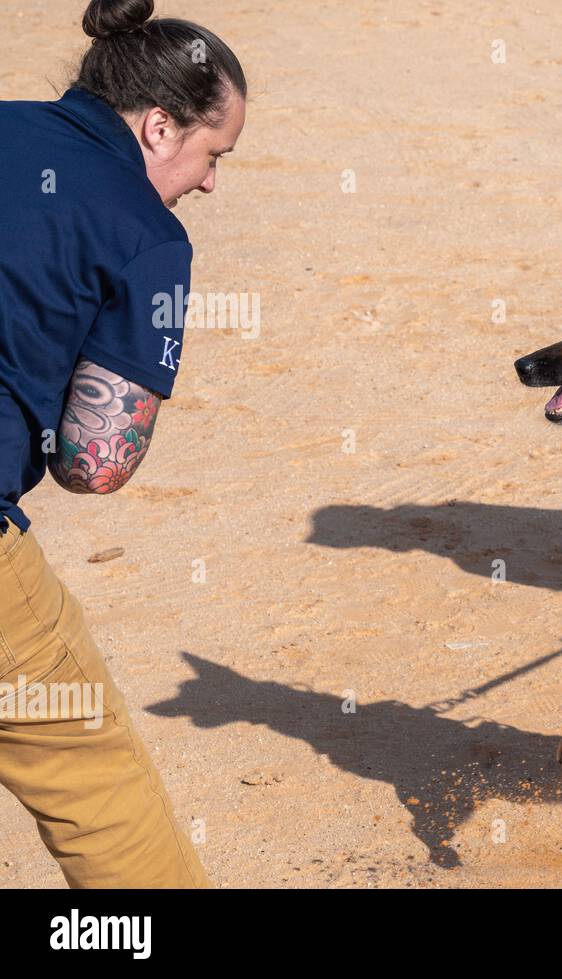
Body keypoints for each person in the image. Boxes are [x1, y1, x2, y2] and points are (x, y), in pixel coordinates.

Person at [0, 0, 246, 884]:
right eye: (214, 154)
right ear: (158, 125)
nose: (211, 182)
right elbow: (93, 465)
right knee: (92, 772)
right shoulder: (150, 240)